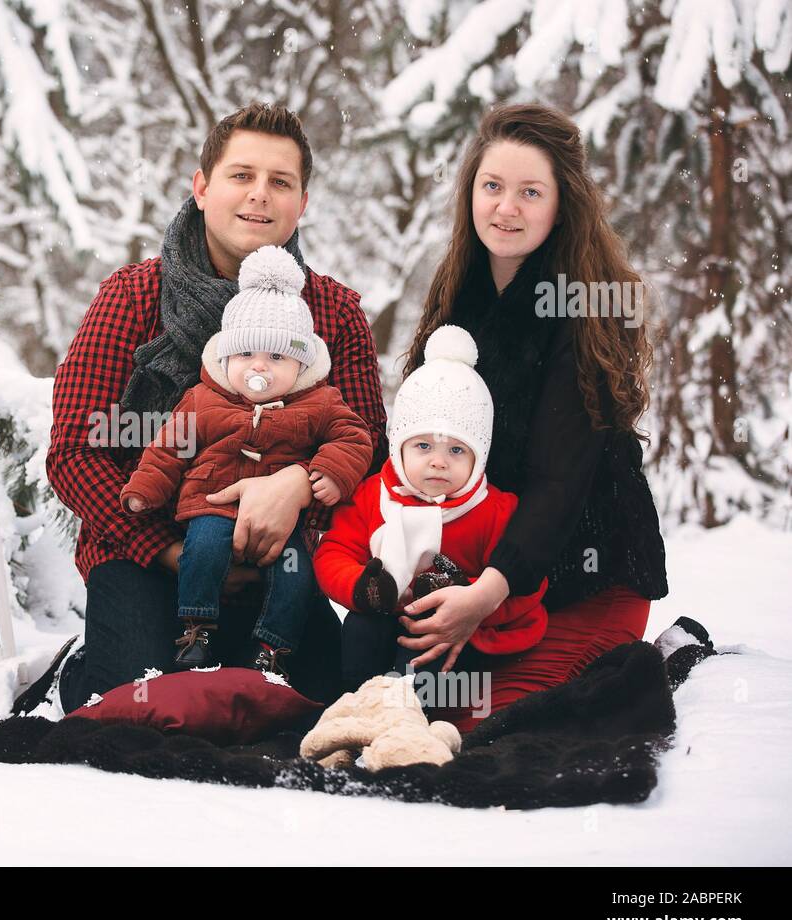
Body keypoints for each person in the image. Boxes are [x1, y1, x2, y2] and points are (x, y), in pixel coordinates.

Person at [13, 102, 387, 717]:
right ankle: (88, 665)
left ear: (303, 203)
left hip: (282, 557)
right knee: (140, 706)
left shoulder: (334, 312)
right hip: (146, 556)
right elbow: (75, 453)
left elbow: (367, 446)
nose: (259, 196)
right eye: (242, 175)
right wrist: (172, 551)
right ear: (203, 186)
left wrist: (298, 487)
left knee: (313, 706)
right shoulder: (133, 297)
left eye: (280, 182)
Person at [386, 103, 668, 733]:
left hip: (586, 577)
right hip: (489, 578)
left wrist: (486, 594)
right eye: (492, 187)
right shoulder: (458, 297)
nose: (506, 208)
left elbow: (559, 485)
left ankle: (662, 655)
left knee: (485, 725)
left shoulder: (587, 307)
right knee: (408, 706)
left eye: (529, 192)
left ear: (561, 206)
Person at [121, 245, 372, 678]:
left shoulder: (320, 402)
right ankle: (197, 625)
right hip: (211, 504)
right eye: (246, 356)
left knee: (296, 576)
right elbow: (167, 449)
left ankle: (273, 646)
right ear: (226, 358)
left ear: (301, 363)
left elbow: (355, 438)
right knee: (202, 552)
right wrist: (145, 489)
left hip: (282, 524)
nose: (260, 367)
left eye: (277, 357)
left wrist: (328, 471)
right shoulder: (202, 399)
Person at [312, 324, 547, 695]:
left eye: (456, 450)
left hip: (456, 632)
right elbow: (334, 551)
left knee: (429, 654)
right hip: (383, 615)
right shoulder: (374, 495)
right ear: (399, 448)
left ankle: (415, 716)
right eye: (423, 446)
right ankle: (355, 702)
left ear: (479, 456)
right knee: (361, 629)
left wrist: (468, 596)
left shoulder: (494, 509)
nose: (438, 462)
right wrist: (362, 588)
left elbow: (525, 586)